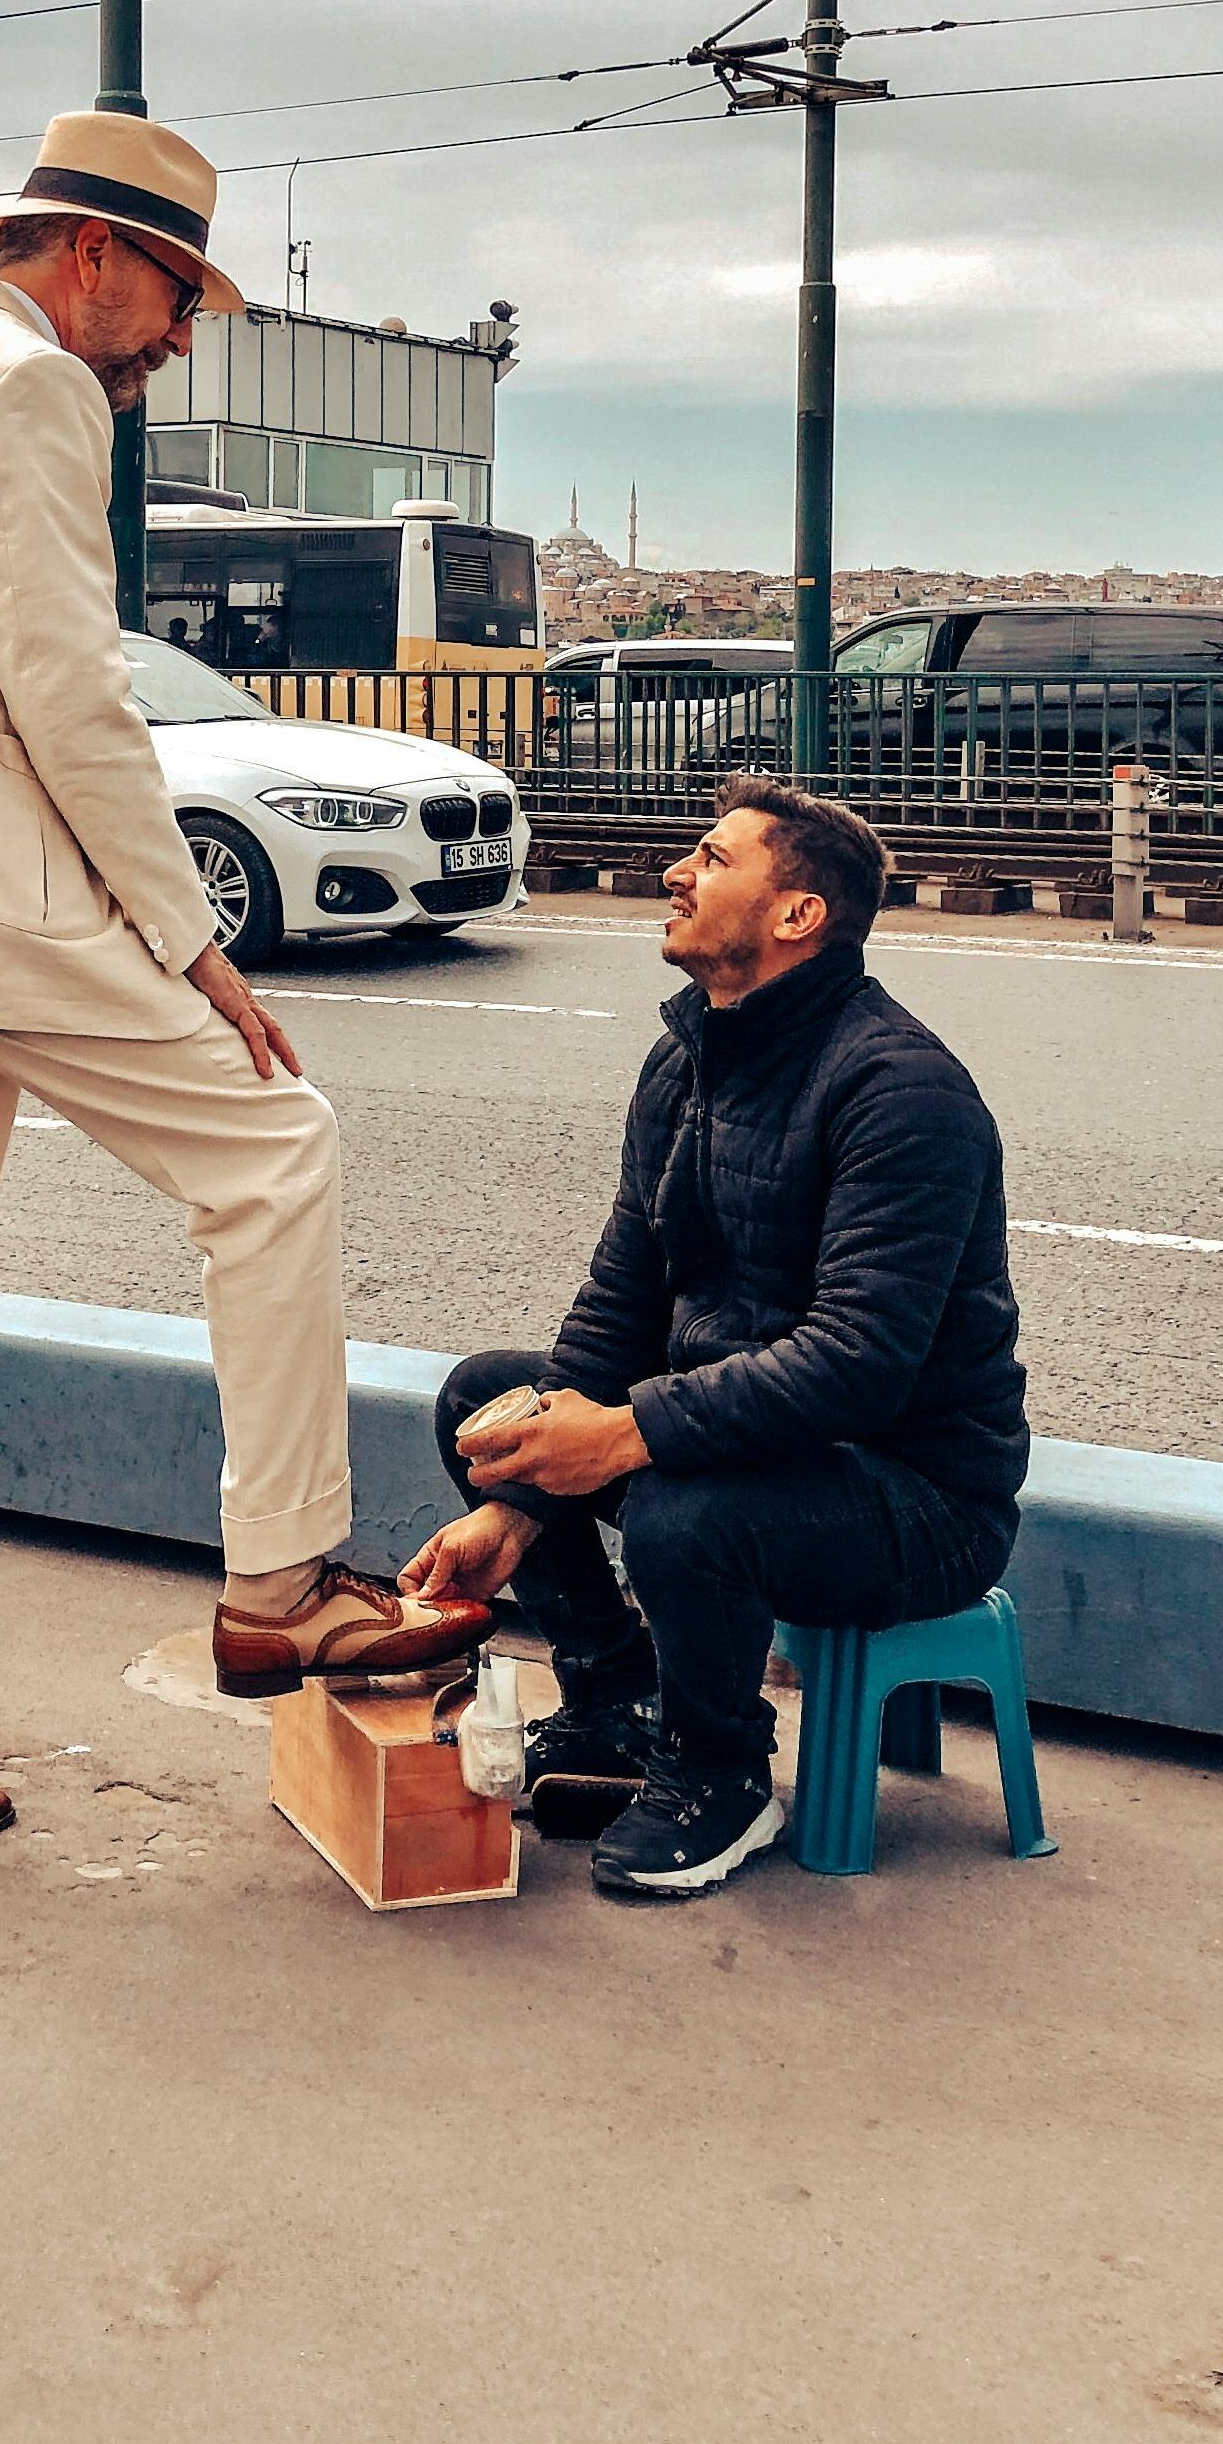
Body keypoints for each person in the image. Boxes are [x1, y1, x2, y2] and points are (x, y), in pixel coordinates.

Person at [0, 112, 489, 1878]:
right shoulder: (34, 384)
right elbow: (65, 686)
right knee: (275, 1147)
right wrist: (187, 937)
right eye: (173, 297)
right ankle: (281, 1585)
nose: (175, 339)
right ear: (90, 258)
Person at [401, 778, 1027, 1901]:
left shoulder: (903, 1090)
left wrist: (632, 1433)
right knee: (487, 1403)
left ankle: (719, 1771)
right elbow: (623, 1290)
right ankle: (613, 1702)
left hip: (920, 1491)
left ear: (796, 916)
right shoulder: (689, 1056)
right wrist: (521, 1497)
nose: (676, 875)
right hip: (751, 1433)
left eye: (711, 857)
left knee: (690, 1506)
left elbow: (859, 1361)